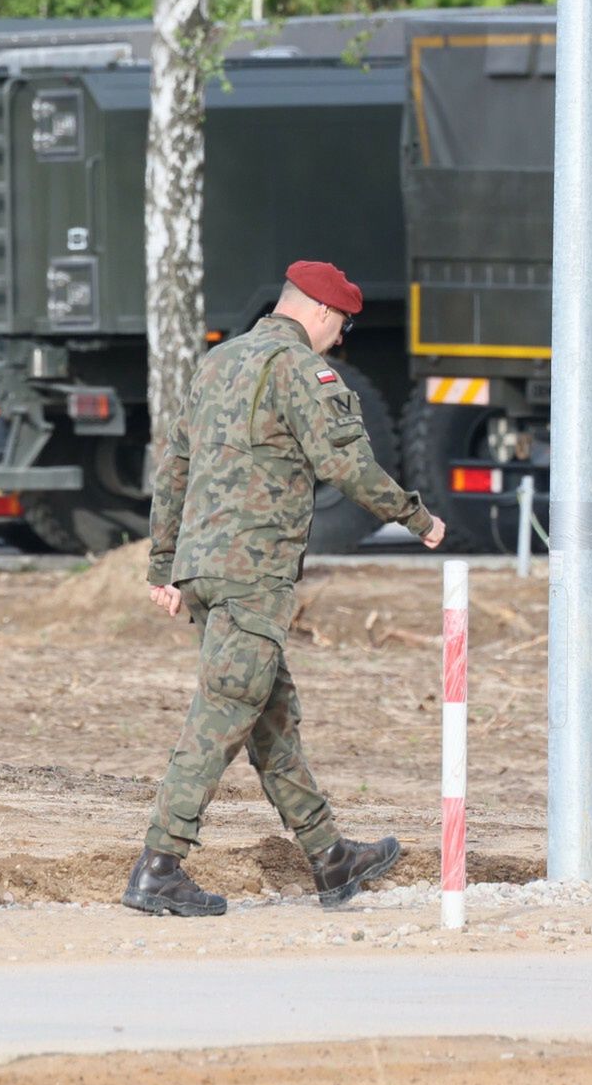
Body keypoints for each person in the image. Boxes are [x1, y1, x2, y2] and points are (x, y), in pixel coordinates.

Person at [128, 260, 447, 918]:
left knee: (270, 718)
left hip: (209, 571)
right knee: (220, 715)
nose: (341, 337)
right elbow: (345, 464)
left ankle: (331, 856)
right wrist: (418, 516)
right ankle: (159, 864)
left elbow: (175, 465)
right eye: (343, 325)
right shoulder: (301, 368)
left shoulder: (219, 363)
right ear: (323, 313)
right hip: (253, 575)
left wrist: (164, 564)